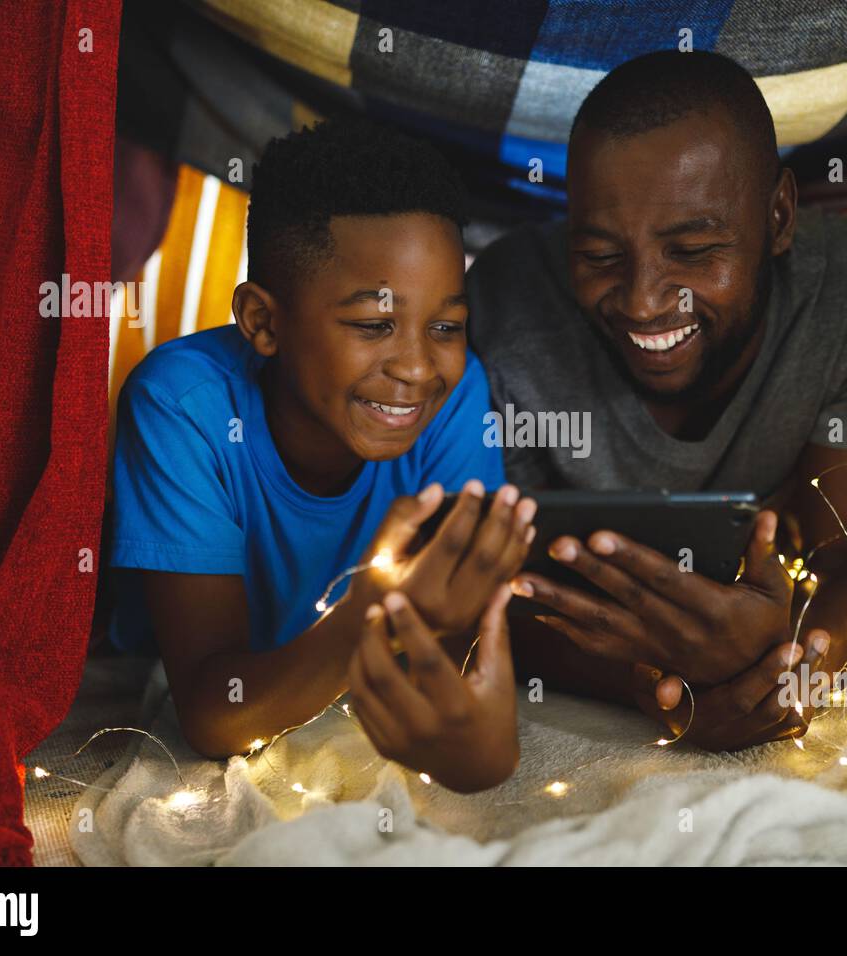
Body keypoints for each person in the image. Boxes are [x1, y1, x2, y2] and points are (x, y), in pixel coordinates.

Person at [467, 50, 847, 750]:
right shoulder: (506, 309)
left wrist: (790, 678)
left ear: (779, 217)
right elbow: (490, 596)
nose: (644, 301)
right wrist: (661, 687)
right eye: (598, 255)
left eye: (691, 250)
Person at [109, 118, 534, 792]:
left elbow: (452, 652)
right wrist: (375, 608)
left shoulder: (456, 397)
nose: (420, 368)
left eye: (446, 326)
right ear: (263, 322)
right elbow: (214, 715)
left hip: (325, 676)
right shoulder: (182, 404)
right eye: (373, 326)